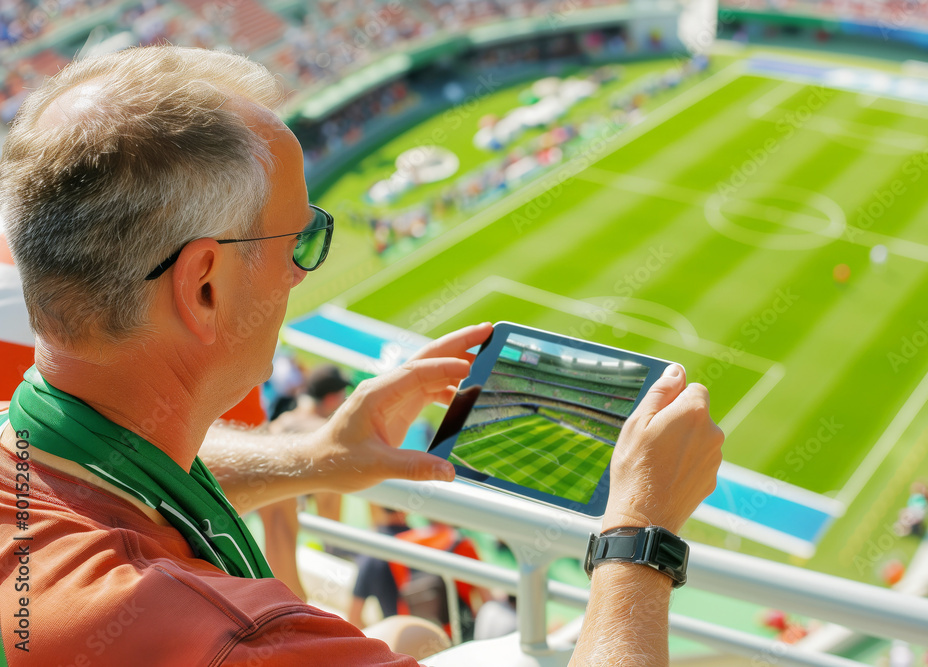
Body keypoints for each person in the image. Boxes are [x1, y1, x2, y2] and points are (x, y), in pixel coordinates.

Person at [0, 46, 723, 665]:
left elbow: (121, 479)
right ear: (206, 286)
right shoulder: (233, 638)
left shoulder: (27, 445)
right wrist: (640, 534)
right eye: (300, 241)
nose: (299, 273)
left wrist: (317, 459)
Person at [258, 364, 352, 600]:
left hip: (264, 499)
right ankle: (336, 550)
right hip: (287, 502)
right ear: (331, 399)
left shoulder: (281, 421)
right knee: (333, 484)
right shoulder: (324, 432)